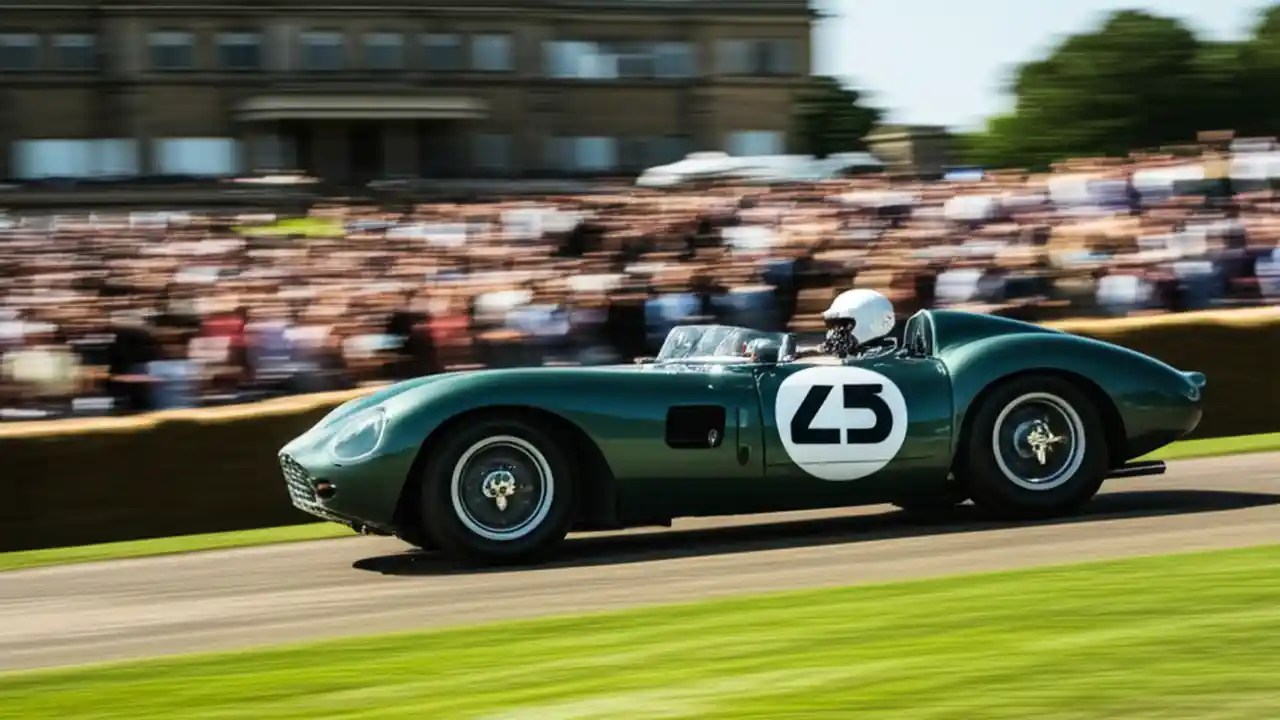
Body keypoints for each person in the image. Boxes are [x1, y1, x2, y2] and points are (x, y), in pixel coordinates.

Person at [795, 288, 897, 361]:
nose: (835, 333)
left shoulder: (883, 359)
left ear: (876, 322)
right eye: (833, 325)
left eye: (844, 325)